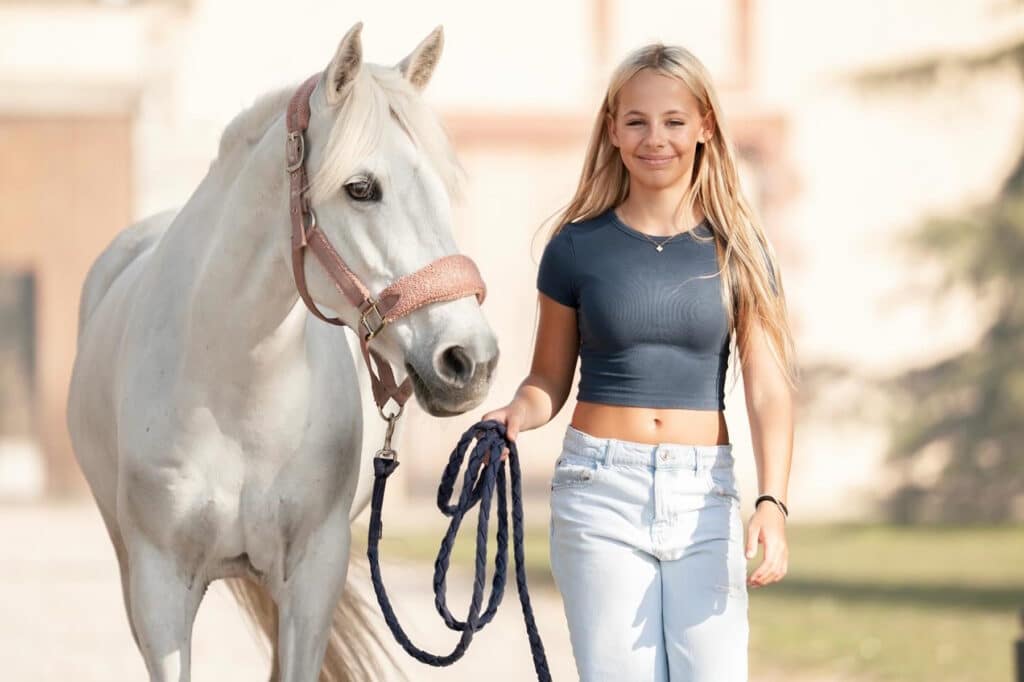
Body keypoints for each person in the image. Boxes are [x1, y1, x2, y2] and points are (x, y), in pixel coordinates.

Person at [481, 42, 798, 681]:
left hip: (704, 493)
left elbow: (768, 389)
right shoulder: (575, 247)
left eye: (675, 121)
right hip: (599, 492)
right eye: (637, 121)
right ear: (613, 131)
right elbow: (548, 378)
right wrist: (517, 412)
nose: (657, 138)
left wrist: (772, 502)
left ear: (705, 126)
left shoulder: (740, 247)